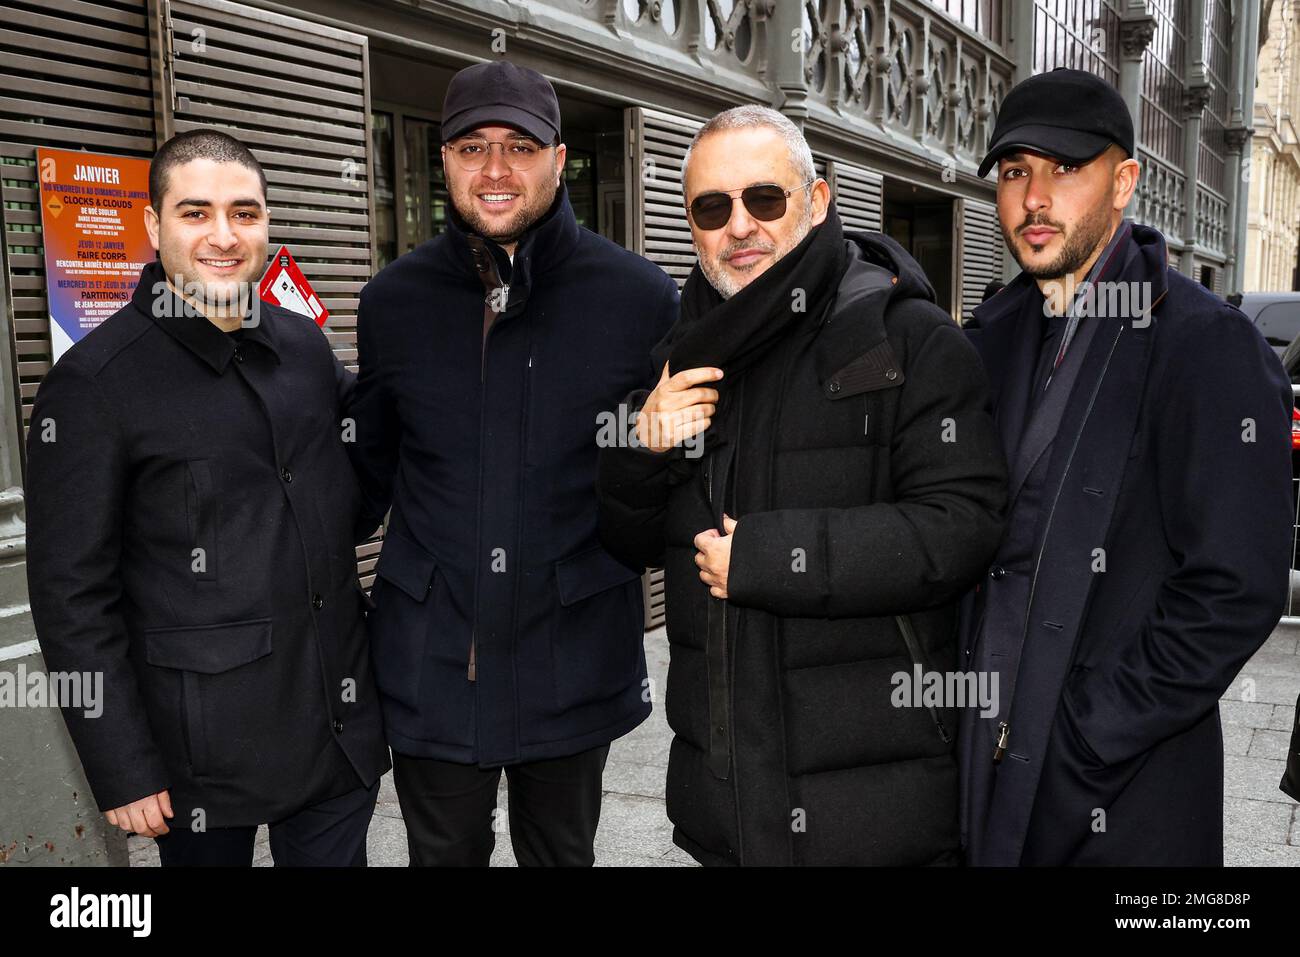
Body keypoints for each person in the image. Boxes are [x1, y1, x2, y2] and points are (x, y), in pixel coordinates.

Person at [596, 105, 1007, 865]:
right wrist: (638, 448)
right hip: (728, 806)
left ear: (816, 202)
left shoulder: (907, 337)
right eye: (712, 208)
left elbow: (962, 526)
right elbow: (628, 544)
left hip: (871, 815)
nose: (739, 225)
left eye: (765, 198)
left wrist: (769, 557)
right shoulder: (681, 353)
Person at [26, 130, 389, 866]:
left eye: (245, 213)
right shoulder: (95, 383)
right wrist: (121, 762)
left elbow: (350, 493)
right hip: (195, 759)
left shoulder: (305, 348)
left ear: (266, 224)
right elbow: (71, 594)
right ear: (154, 226)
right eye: (196, 213)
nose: (224, 236)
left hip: (335, 729)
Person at [958, 68, 1293, 865]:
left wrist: (1084, 733)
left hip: (1122, 790)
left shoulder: (1206, 345)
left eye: (1065, 168)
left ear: (1125, 181)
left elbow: (1234, 589)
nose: (1035, 198)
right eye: (1014, 173)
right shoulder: (990, 339)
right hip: (983, 777)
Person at [348, 61, 678, 866]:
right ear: (444, 160)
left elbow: (663, 478)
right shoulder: (392, 301)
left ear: (558, 160)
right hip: (432, 657)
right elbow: (364, 475)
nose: (494, 170)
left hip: (572, 655)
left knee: (561, 856)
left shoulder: (639, 298)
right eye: (471, 147)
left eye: (519, 146)